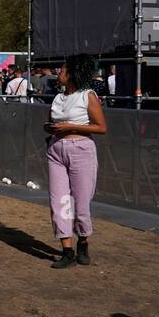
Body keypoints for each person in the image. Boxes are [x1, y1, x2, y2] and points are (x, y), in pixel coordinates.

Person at [45, 54, 108, 269]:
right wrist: (52, 128)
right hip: (56, 150)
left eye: (62, 70)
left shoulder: (87, 96)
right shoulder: (58, 97)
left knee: (81, 203)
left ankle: (83, 241)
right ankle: (67, 250)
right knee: (59, 202)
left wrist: (71, 127)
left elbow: (101, 127)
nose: (58, 73)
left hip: (81, 149)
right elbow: (53, 121)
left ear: (72, 74)